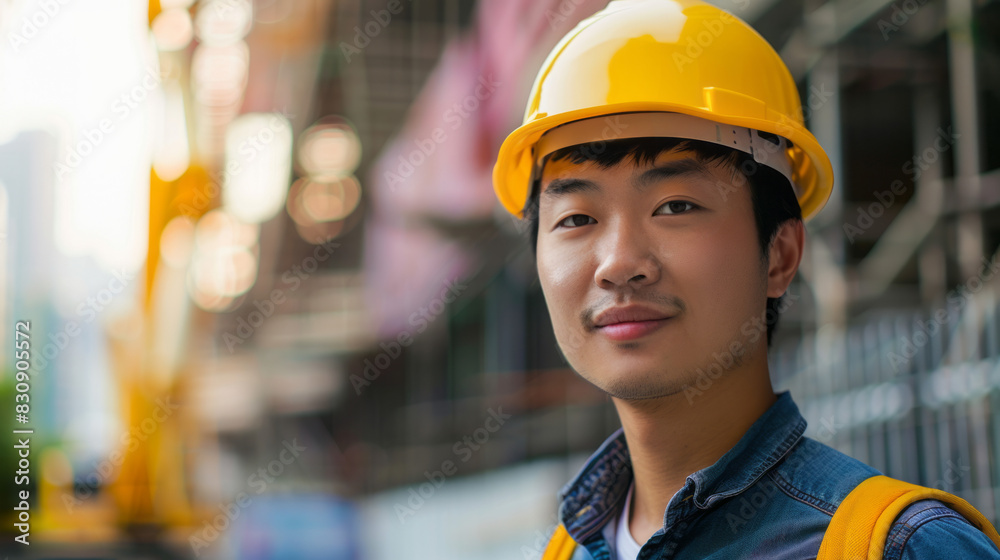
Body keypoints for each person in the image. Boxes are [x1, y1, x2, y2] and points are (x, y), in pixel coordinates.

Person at [490, 0, 1000, 558]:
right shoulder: (565, 550)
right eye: (577, 219)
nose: (618, 263)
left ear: (780, 255)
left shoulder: (898, 547)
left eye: (676, 206)